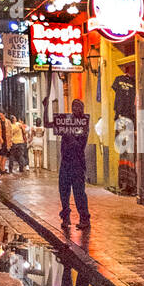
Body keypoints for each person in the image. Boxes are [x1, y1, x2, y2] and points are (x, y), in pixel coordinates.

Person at [47, 98, 91, 230]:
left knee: (79, 193)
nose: (75, 109)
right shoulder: (67, 121)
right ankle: (66, 217)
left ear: (82, 109)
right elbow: (47, 124)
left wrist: (68, 133)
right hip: (65, 163)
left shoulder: (83, 124)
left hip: (77, 163)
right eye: (73, 107)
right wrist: (45, 108)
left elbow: (79, 146)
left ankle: (85, 218)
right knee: (64, 192)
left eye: (78, 107)